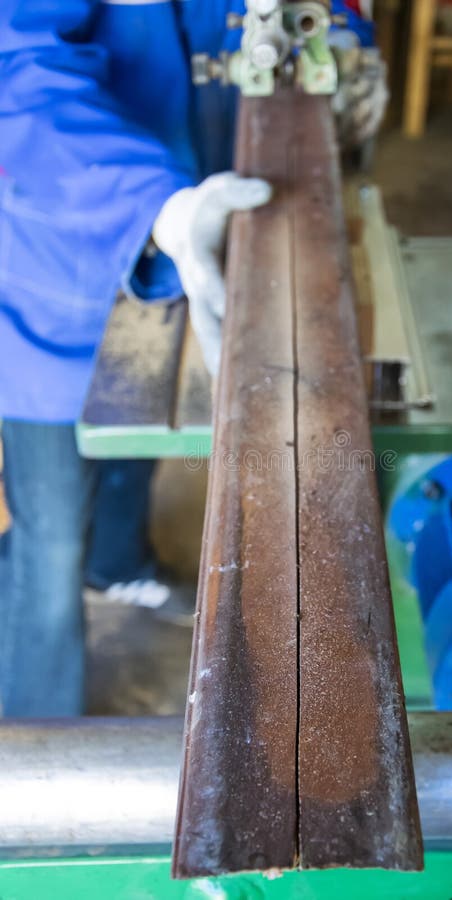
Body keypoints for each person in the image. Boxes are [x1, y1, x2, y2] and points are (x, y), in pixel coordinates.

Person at [0, 0, 388, 717]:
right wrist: (159, 209)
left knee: (137, 426)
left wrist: (343, 37)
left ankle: (118, 564)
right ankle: (33, 753)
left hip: (205, 212)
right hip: (69, 240)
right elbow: (18, 69)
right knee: (50, 528)